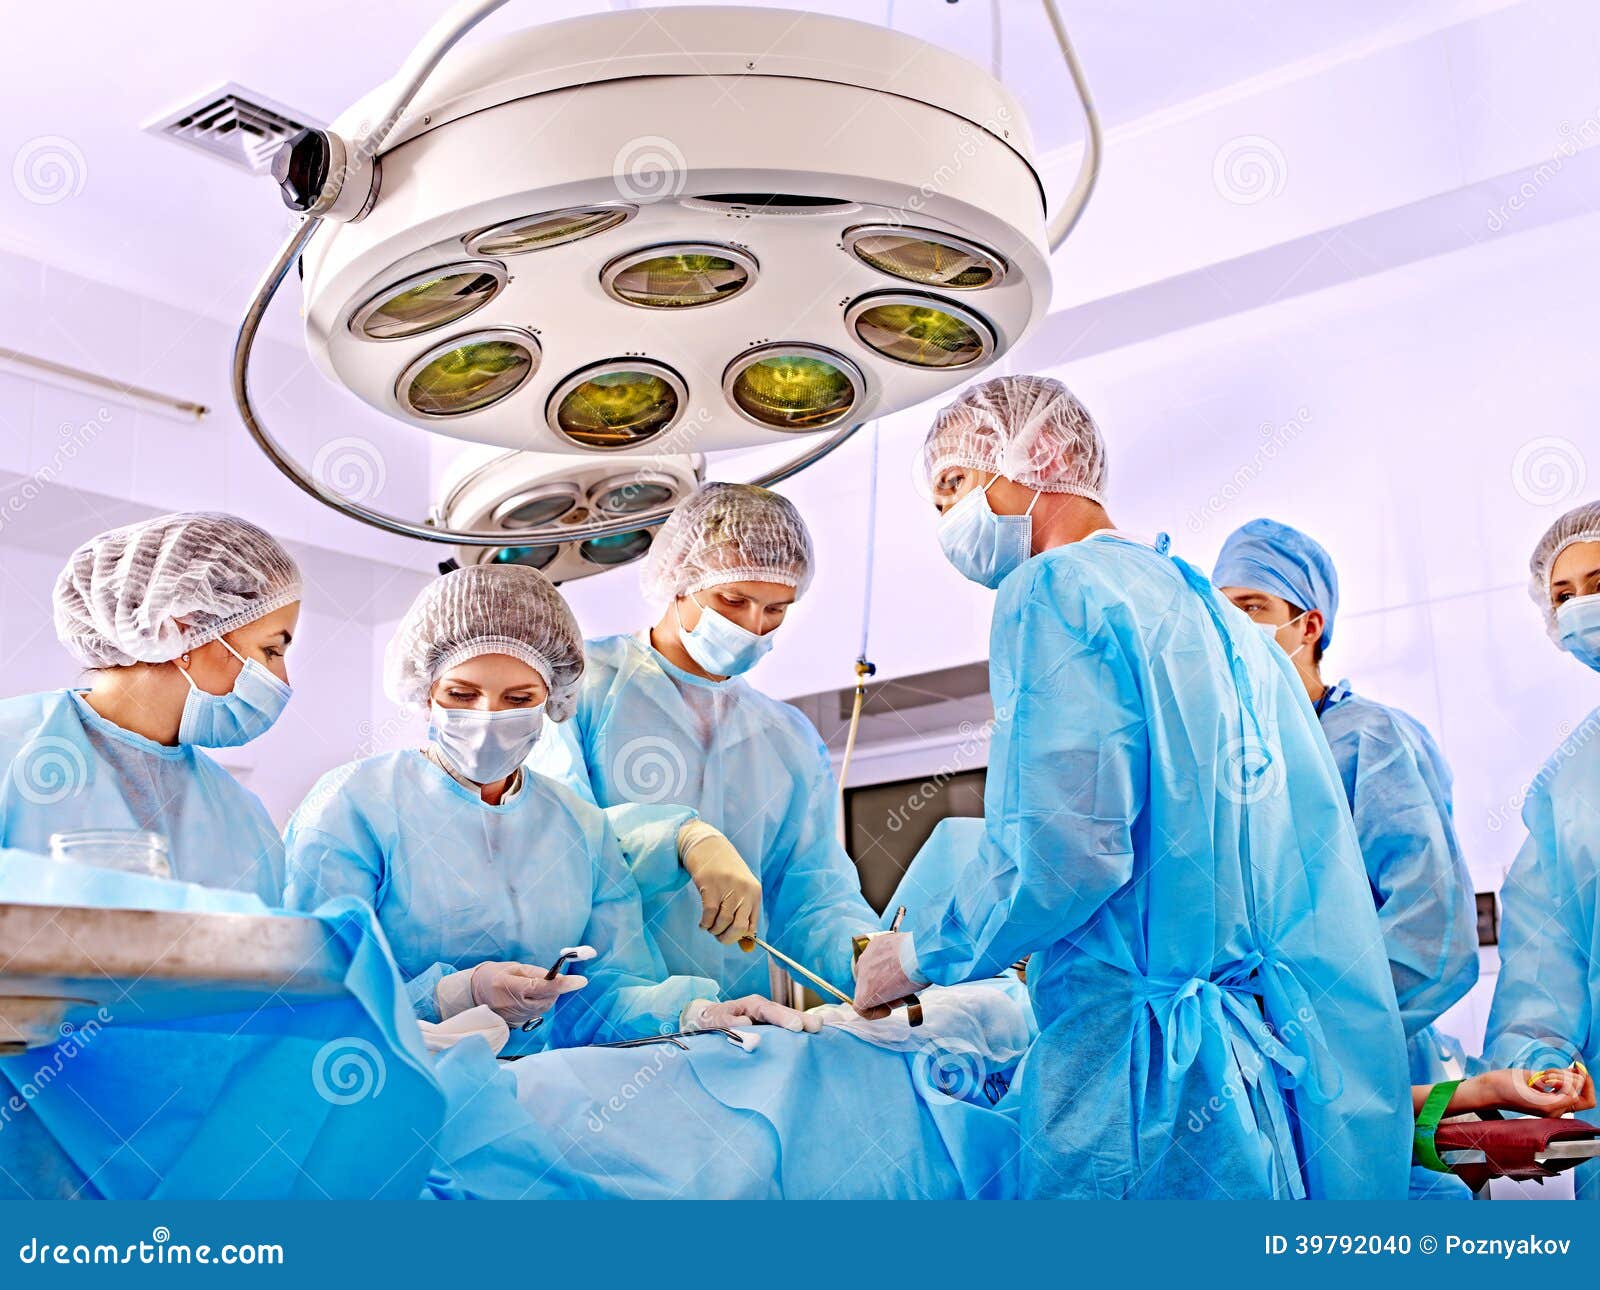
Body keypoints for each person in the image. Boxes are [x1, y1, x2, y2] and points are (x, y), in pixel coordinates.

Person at [852, 375, 1411, 1199]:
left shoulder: (1054, 591)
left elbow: (1063, 854)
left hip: (1130, 1082)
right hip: (1244, 1084)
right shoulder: (1220, 620)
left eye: (955, 486)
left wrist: (915, 955)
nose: (949, 523)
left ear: (1040, 455)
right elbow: (1309, 879)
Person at [282, 563, 816, 1056]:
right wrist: (452, 996)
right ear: (425, 693)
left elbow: (605, 997)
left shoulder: (579, 825)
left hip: (536, 1102)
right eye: (462, 695)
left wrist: (696, 1013)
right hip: (386, 1092)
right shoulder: (355, 805)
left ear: (553, 699)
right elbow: (308, 987)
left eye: (518, 700)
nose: (489, 717)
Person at [532, 482, 878, 998]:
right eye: (733, 600)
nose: (754, 626)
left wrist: (868, 958)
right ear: (679, 578)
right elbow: (554, 843)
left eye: (776, 609)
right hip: (605, 1016)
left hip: (741, 1023)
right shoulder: (579, 689)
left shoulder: (788, 739)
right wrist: (677, 839)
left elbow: (814, 896)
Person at [1212, 518, 1479, 1087]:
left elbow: (1431, 930)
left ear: (1308, 625)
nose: (1233, 626)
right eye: (1222, 610)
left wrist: (1315, 1029)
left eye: (1253, 606)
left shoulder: (1370, 741)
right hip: (1255, 1062)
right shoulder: (1234, 756)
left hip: (1361, 1061)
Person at [0, 512, 299, 901]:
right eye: (271, 650)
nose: (283, 681)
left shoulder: (245, 818)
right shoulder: (11, 749)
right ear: (179, 626)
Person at [1483, 500, 1600, 1197]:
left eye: (1598, 583)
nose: (1581, 606)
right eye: (1563, 595)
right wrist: (1538, 1058)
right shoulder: (1574, 781)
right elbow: (1547, 950)